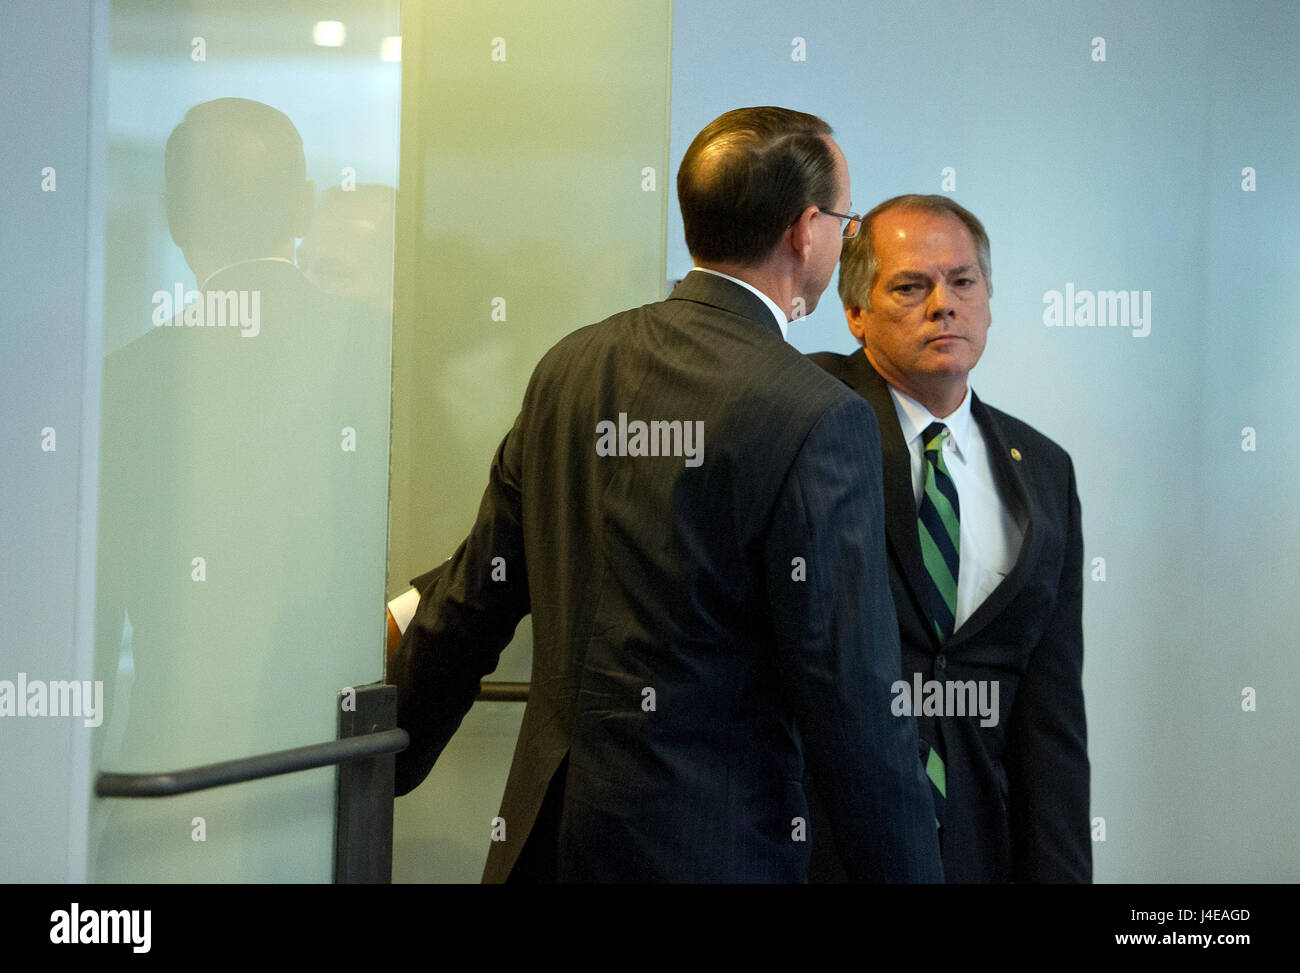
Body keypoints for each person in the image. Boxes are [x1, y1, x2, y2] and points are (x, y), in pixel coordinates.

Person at [389, 107, 943, 883]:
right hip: (712, 854)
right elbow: (851, 699)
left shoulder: (569, 366)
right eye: (845, 224)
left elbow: (479, 593)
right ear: (805, 230)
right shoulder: (816, 414)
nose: (841, 240)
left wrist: (384, 758)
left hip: (543, 846)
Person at [807, 194, 1090, 882]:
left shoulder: (1044, 468)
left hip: (972, 852)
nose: (944, 304)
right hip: (819, 846)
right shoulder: (807, 419)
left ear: (987, 299)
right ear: (855, 313)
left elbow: (1050, 719)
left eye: (963, 281)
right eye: (910, 286)